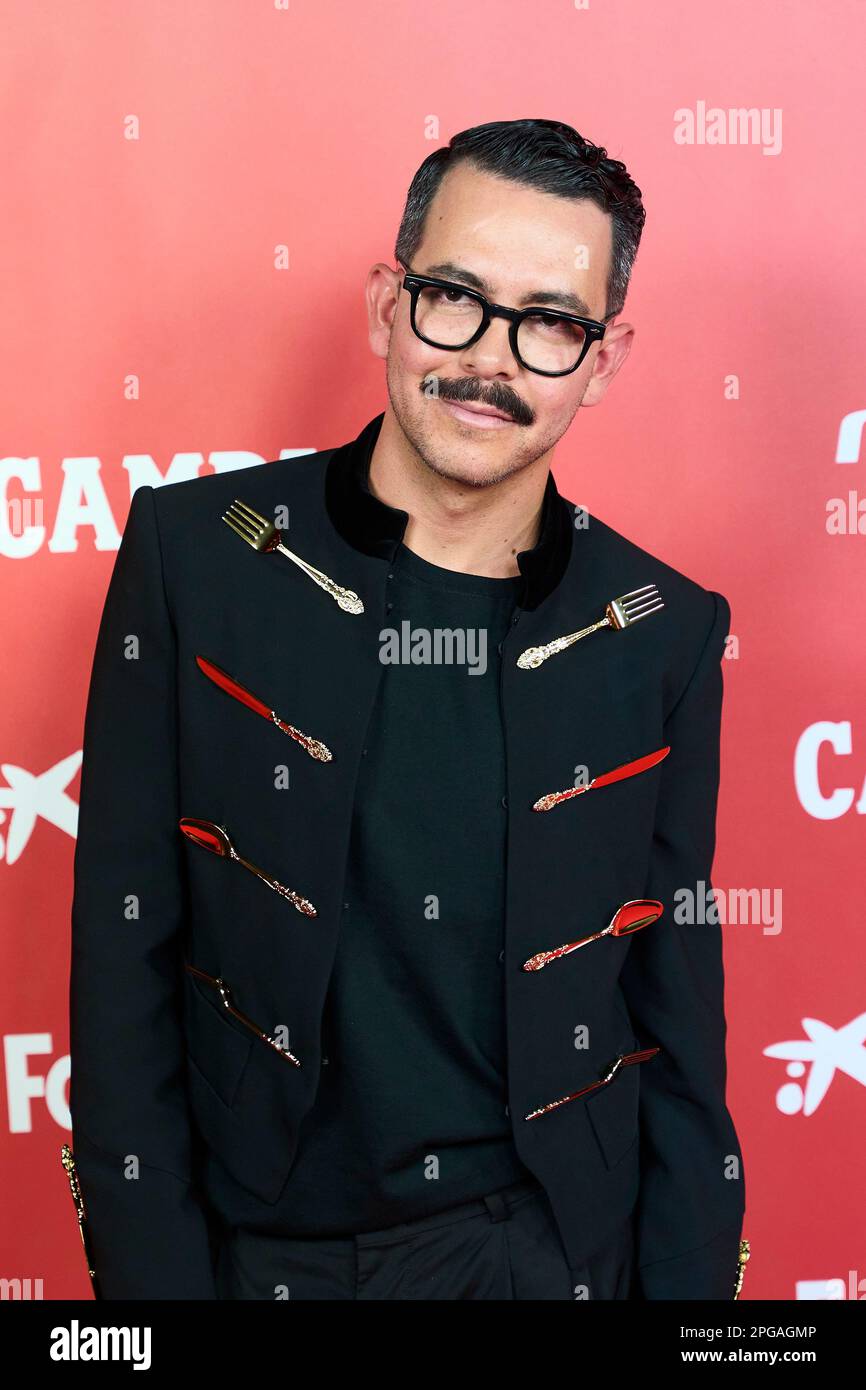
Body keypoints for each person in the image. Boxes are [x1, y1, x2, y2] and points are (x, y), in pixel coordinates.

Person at [65, 117, 747, 1300]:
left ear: (603, 357)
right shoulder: (198, 559)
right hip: (261, 1248)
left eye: (549, 322)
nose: (491, 357)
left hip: (549, 1253)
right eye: (453, 297)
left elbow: (674, 1012)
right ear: (388, 300)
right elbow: (121, 958)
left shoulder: (664, 632)